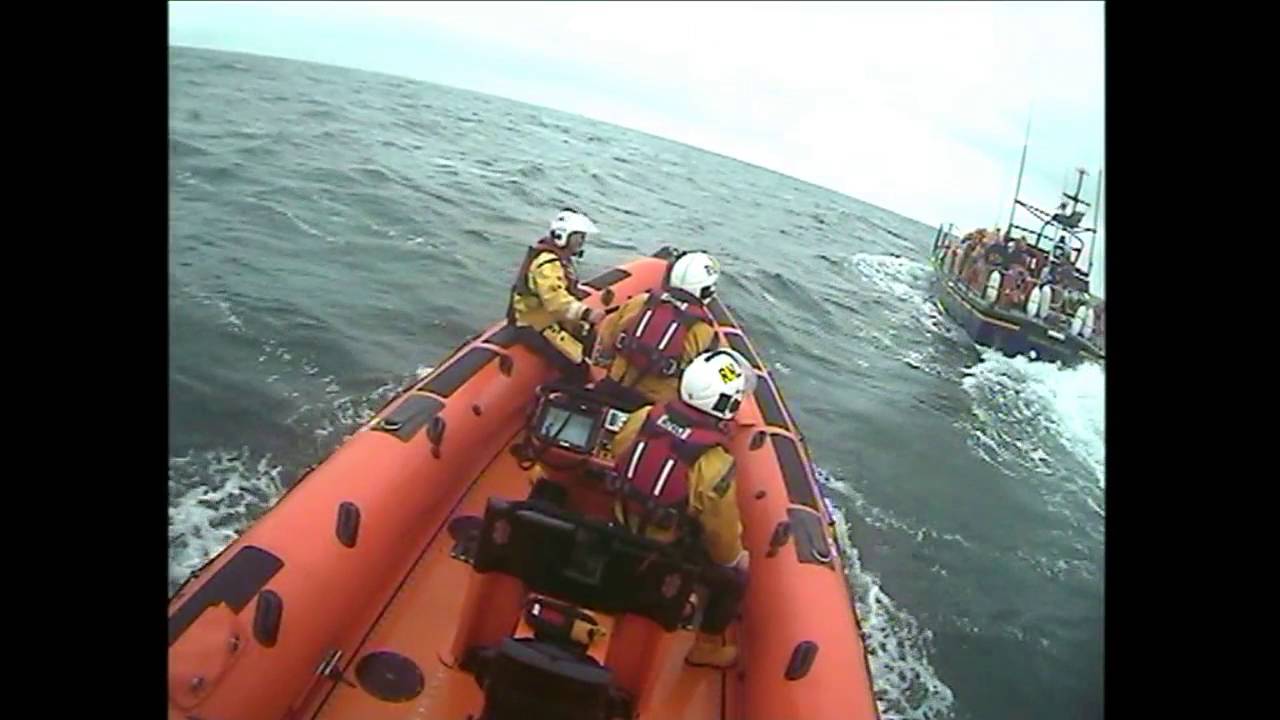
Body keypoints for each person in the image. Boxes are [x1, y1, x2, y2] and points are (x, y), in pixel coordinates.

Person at [607, 348, 755, 668]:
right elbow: (722, 540)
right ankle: (707, 647)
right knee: (734, 579)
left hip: (618, 525)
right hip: (664, 548)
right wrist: (736, 559)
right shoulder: (714, 464)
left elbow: (618, 453)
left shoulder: (642, 417)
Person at [592, 251, 722, 410]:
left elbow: (608, 333)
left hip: (613, 385)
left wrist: (606, 363)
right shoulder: (703, 331)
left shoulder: (640, 302)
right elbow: (700, 380)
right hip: (653, 405)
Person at [507, 208, 606, 383]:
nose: (582, 242)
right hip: (533, 323)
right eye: (579, 237)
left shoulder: (560, 260)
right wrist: (586, 313)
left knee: (590, 339)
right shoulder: (547, 264)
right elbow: (556, 301)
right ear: (564, 236)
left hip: (549, 317)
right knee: (576, 365)